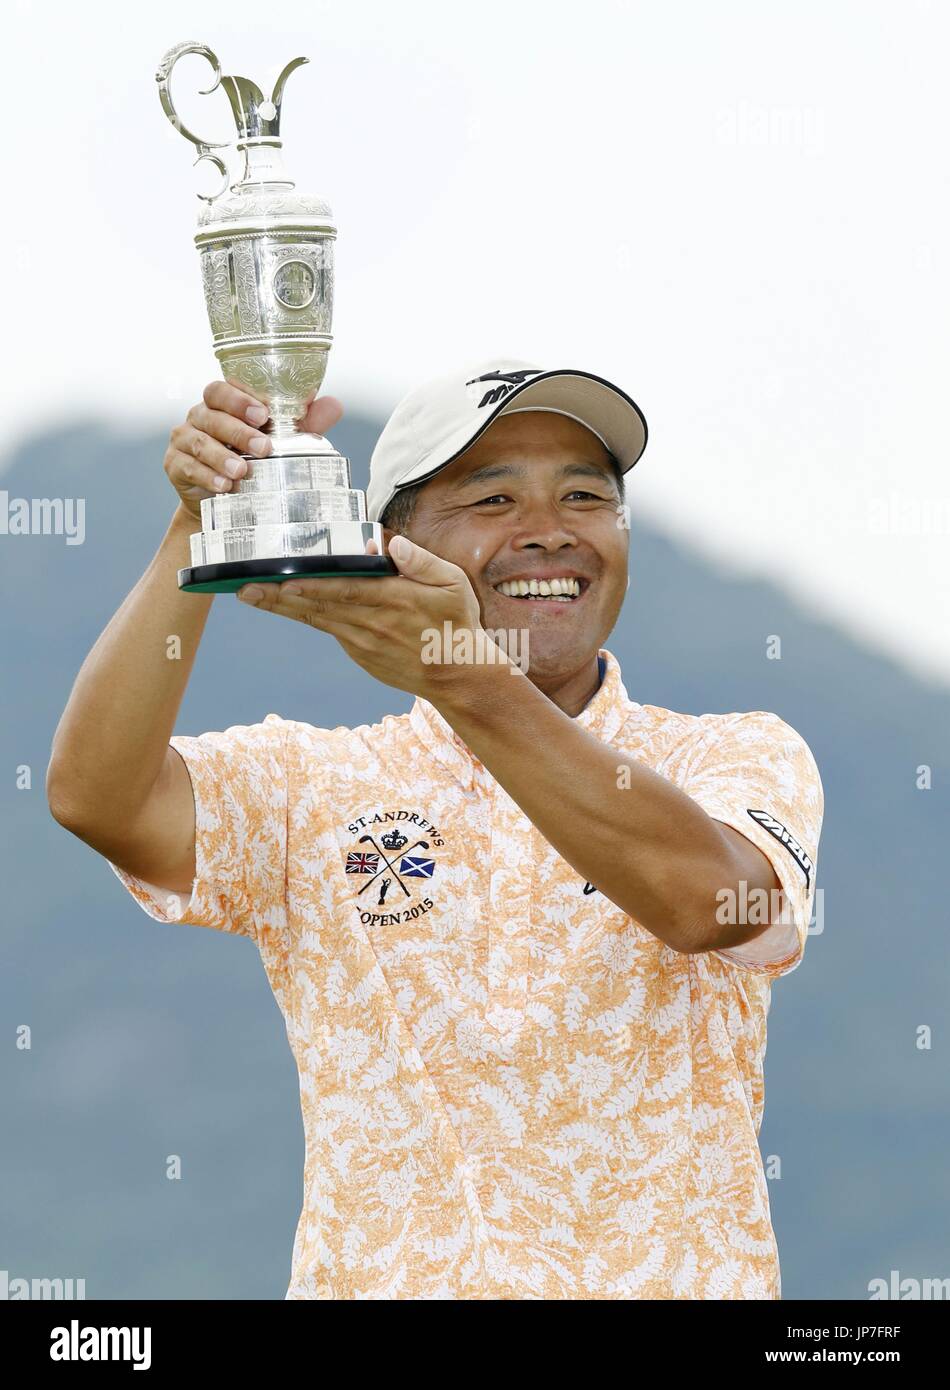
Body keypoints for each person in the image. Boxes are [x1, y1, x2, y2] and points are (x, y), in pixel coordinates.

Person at [46, 357, 823, 1300]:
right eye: (492, 500)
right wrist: (199, 519)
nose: (548, 534)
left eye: (585, 496)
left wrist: (465, 678)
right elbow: (99, 797)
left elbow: (706, 901)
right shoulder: (316, 784)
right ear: (392, 544)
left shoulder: (733, 755)